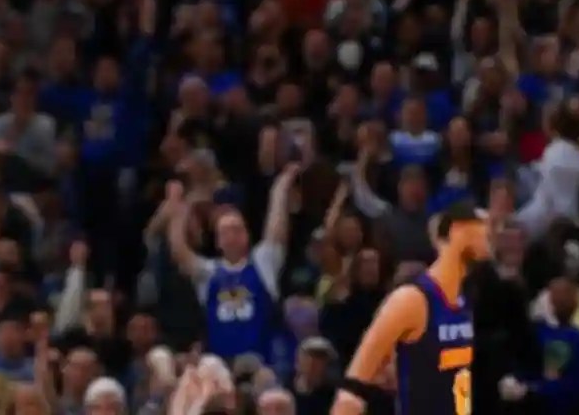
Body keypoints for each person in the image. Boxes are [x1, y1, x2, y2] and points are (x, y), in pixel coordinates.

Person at [331, 200, 492, 415]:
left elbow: (456, 378)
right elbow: (351, 391)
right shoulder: (411, 300)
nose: (489, 239)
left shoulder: (463, 303)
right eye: (482, 231)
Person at [167, 165, 297, 362]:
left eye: (237, 230)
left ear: (247, 235)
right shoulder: (209, 273)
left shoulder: (263, 263)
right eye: (225, 232)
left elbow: (276, 228)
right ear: (218, 241)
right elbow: (179, 251)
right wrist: (179, 208)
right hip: (221, 365)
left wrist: (279, 189)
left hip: (260, 362)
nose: (232, 236)